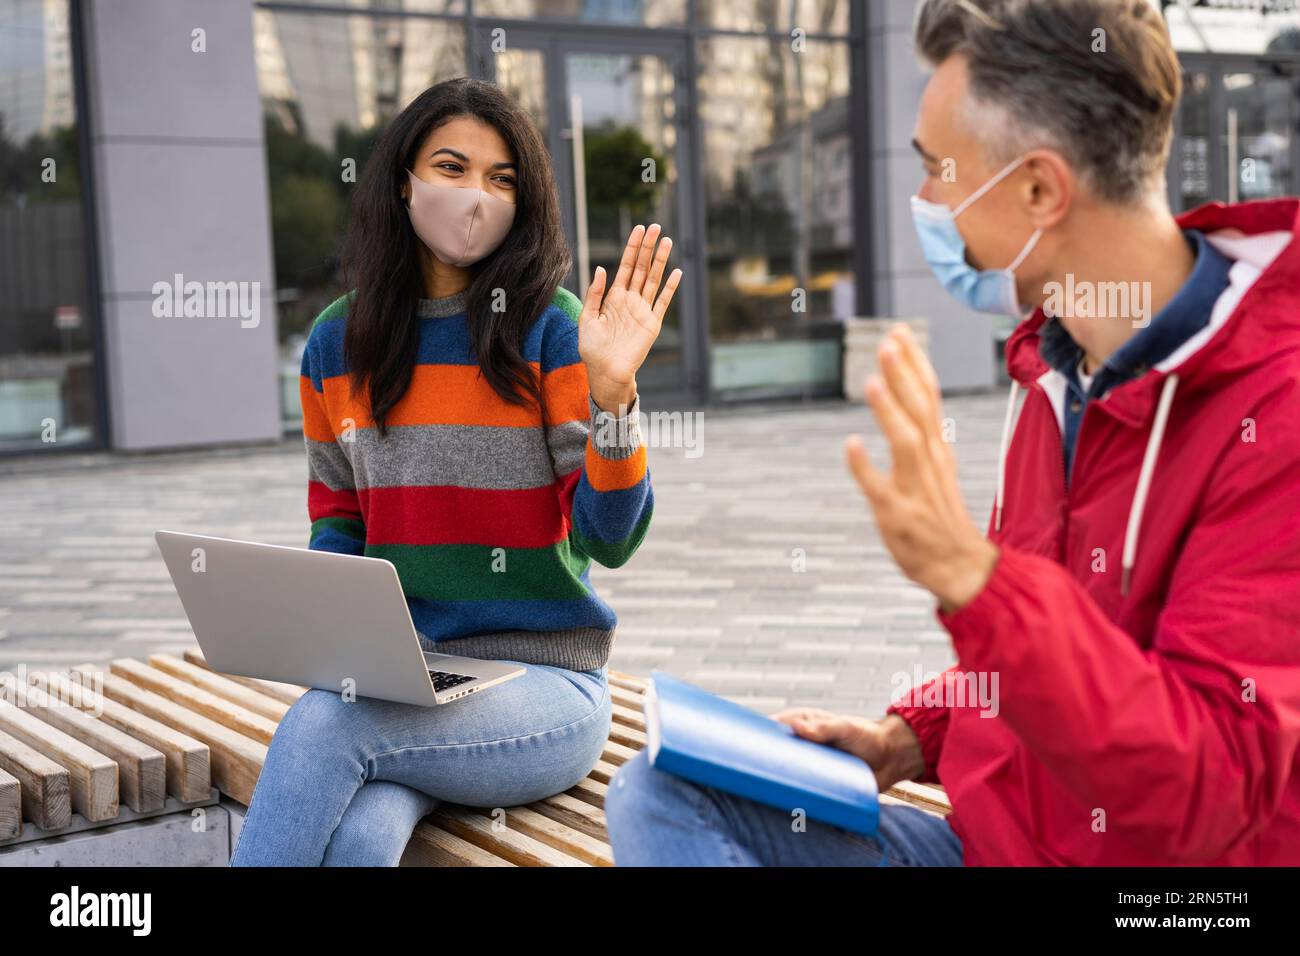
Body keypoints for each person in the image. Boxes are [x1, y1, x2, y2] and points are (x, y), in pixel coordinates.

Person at [605, 0, 1300, 866]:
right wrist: (907, 737)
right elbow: (1048, 657)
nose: (927, 200)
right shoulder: (1055, 368)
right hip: (991, 843)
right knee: (663, 790)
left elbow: (1211, 792)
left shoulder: (1273, 411)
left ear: (1040, 189)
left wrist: (976, 578)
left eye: (939, 169)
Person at [230, 77, 681, 866]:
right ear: (405, 180)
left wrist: (614, 398)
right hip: (406, 685)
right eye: (451, 167)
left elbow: (609, 539)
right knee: (361, 840)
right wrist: (331, 640)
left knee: (324, 726)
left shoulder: (554, 329)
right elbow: (339, 528)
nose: (475, 195)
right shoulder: (337, 345)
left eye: (501, 178)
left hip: (546, 686)